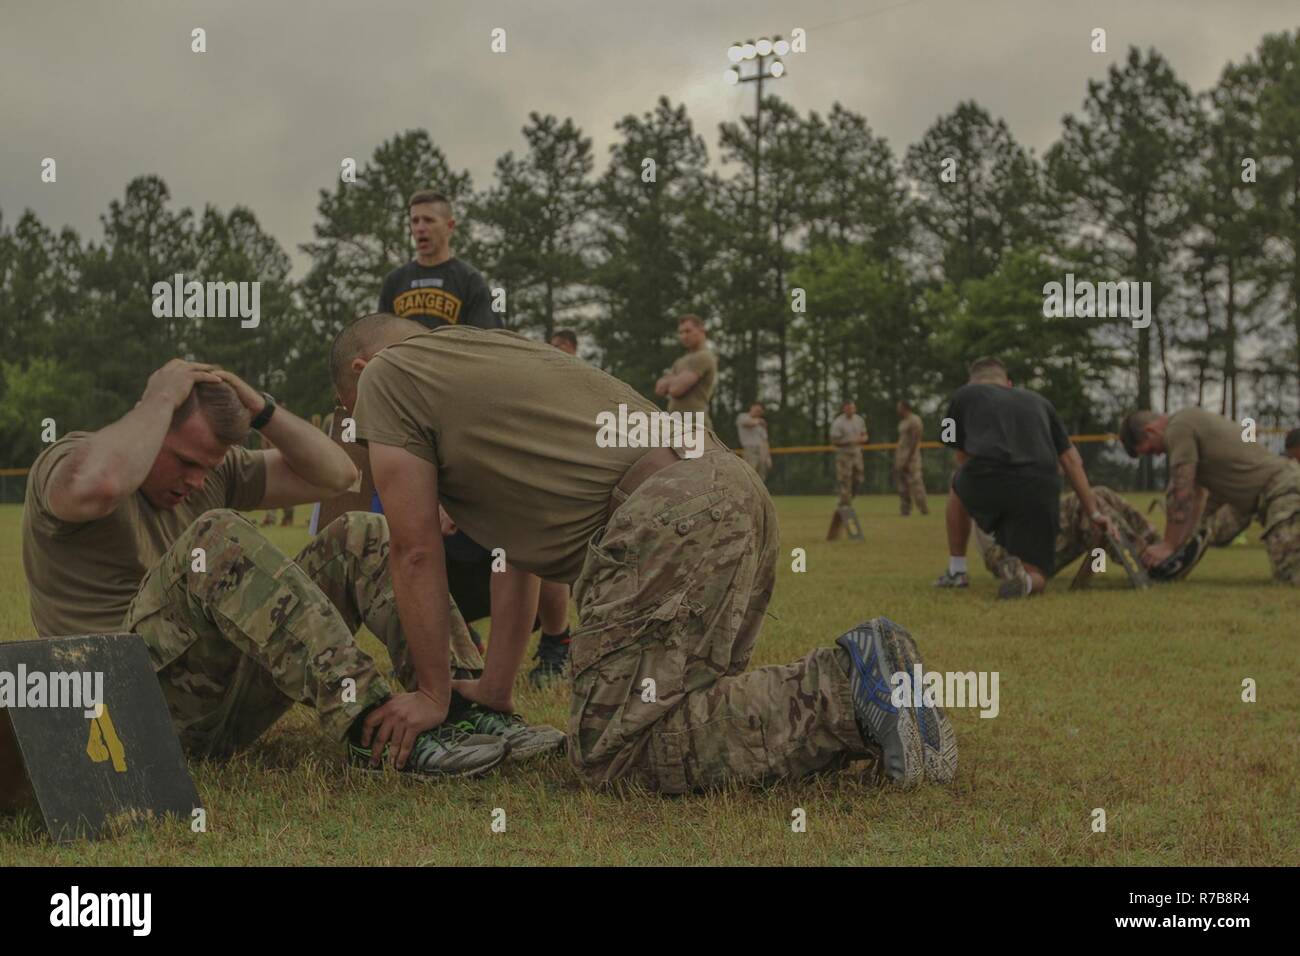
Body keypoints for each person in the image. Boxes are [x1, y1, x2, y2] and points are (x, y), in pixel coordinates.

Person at [331, 313, 958, 793]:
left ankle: (849, 686)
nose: (362, 432)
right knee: (679, 711)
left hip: (664, 516)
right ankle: (874, 699)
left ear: (362, 372)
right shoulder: (484, 359)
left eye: (351, 418)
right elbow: (514, 555)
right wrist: (494, 689)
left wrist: (433, 694)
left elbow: (411, 550)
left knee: (614, 751)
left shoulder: (387, 377)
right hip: (720, 485)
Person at [20, 360, 550, 776]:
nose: (195, 479)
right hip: (124, 713)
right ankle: (374, 732)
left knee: (363, 533)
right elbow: (101, 486)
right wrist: (160, 395)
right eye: (185, 461)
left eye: (206, 465)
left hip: (220, 710)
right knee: (216, 536)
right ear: (153, 423)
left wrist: (263, 410)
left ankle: (463, 707)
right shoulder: (69, 464)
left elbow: (338, 473)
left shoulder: (211, 472)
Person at [934, 357, 1115, 598]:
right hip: (1042, 484)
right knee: (1037, 571)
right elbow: (1072, 461)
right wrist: (1094, 513)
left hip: (990, 474)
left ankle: (957, 571)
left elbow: (959, 453)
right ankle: (1027, 582)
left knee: (956, 482)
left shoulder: (964, 396)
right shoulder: (1041, 402)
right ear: (1008, 383)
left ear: (971, 382)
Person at [1120, 407, 1300, 585]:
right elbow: (1198, 498)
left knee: (1291, 576)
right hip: (1260, 496)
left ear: (1150, 430)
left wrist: (1168, 544)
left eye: (1151, 450)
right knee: (1211, 531)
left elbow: (1181, 491)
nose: (1158, 454)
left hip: (1283, 488)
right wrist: (1178, 548)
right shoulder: (1191, 423)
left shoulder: (1178, 428)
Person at [977, 487, 1158, 583]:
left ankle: (1156, 547)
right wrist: (957, 566)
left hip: (1033, 533)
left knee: (1098, 493)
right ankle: (1142, 558)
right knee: (1084, 503)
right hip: (1007, 554)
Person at [377, 190, 499, 330]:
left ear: (449, 226)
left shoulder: (470, 281)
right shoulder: (394, 282)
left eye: (428, 220)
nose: (420, 228)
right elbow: (382, 340)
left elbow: (488, 342)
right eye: (415, 221)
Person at [654, 314, 718, 430]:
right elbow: (659, 389)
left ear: (701, 330)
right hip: (676, 424)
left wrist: (670, 380)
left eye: (688, 331)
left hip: (695, 425)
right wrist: (675, 380)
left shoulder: (703, 357)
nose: (684, 336)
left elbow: (675, 390)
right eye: (681, 332)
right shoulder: (680, 361)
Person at [829, 400, 867, 507]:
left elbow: (865, 435)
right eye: (849, 408)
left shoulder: (859, 420)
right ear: (844, 409)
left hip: (857, 454)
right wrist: (849, 441)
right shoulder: (838, 422)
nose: (851, 410)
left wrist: (862, 439)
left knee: (858, 479)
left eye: (853, 408)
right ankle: (844, 502)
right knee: (845, 479)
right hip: (844, 454)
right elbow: (834, 441)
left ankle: (848, 498)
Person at [894, 400, 928, 516]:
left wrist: (909, 459)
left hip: (911, 458)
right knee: (902, 486)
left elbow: (915, 440)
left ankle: (923, 509)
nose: (897, 410)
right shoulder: (903, 422)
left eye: (899, 407)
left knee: (916, 483)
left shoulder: (915, 420)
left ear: (905, 408)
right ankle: (905, 510)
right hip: (901, 456)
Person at [735, 402, 772, 483]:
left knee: (761, 477)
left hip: (762, 451)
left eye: (760, 412)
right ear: (752, 407)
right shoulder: (743, 416)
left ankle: (759, 495)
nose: (758, 413)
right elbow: (747, 423)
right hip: (750, 450)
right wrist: (759, 421)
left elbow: (765, 440)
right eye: (757, 410)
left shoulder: (761, 424)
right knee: (749, 475)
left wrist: (768, 456)